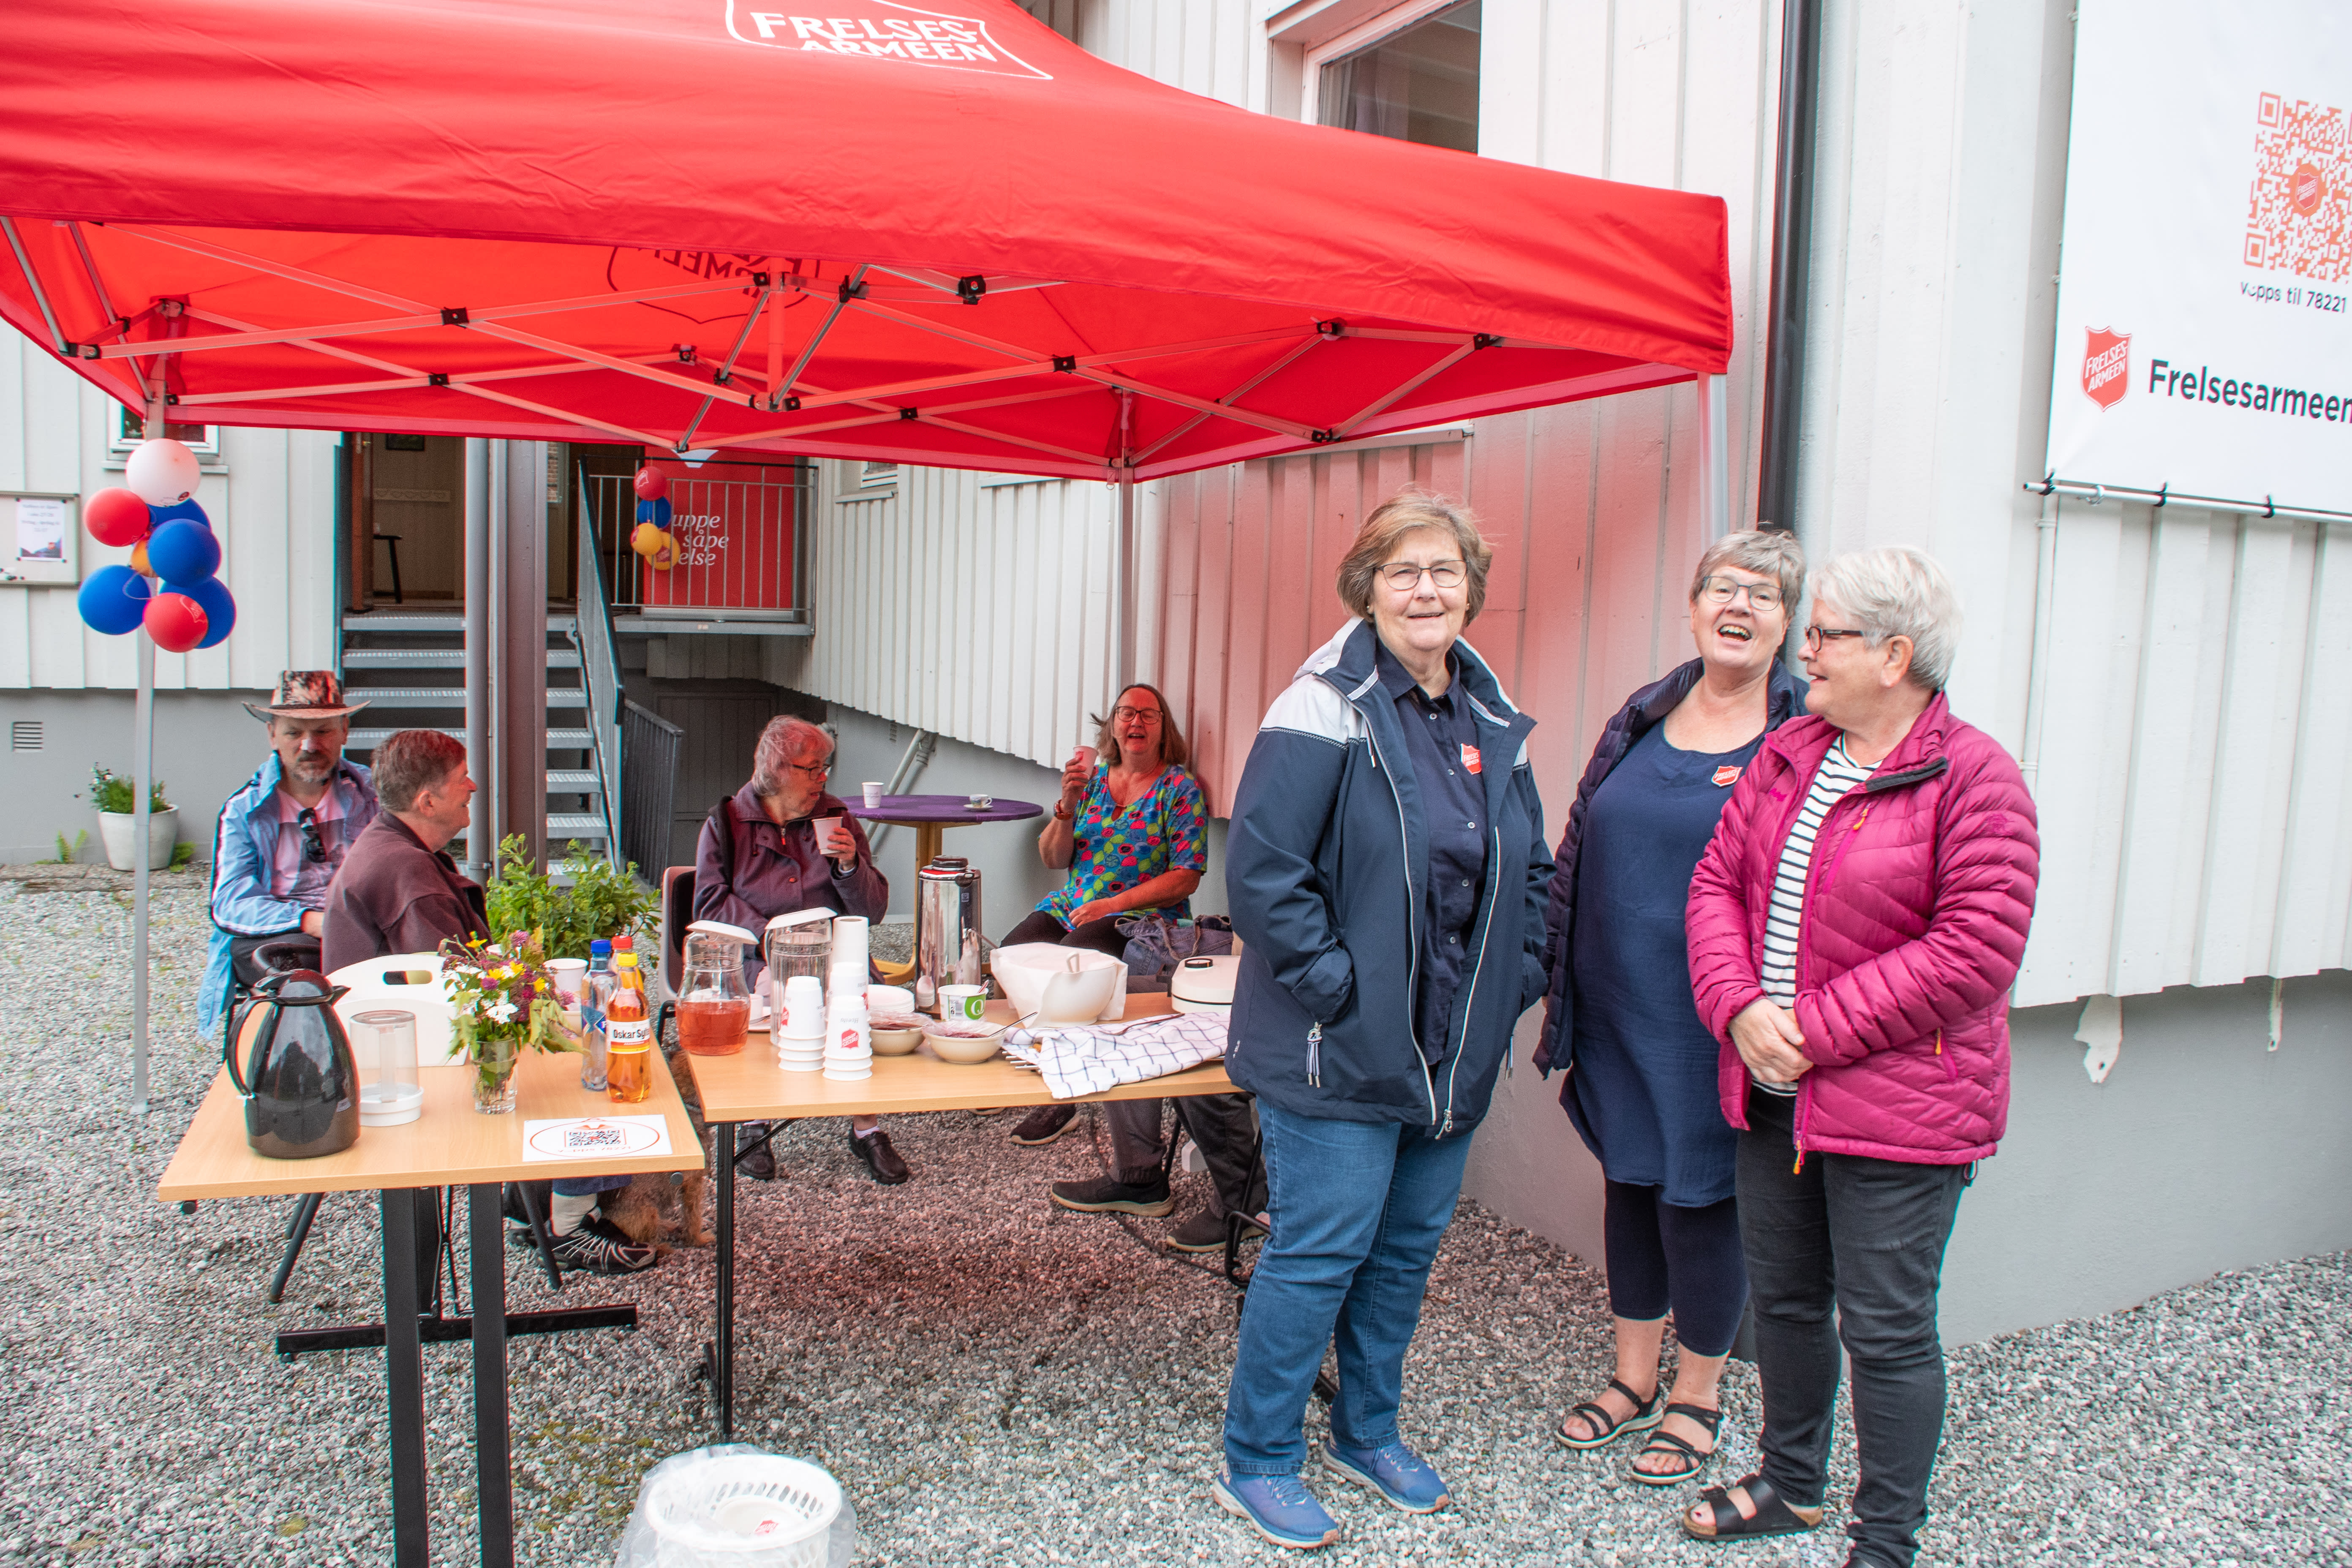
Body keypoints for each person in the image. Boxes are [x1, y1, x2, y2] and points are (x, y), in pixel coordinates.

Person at [1682, 548, 2038, 1568]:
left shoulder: (1976, 778)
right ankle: (1791, 1484)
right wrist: (1738, 1007)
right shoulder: (1793, 749)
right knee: (1786, 1300)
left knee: (1883, 1328)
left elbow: (1973, 950)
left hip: (1901, 1105)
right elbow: (1717, 885)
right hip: (1771, 1089)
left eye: (1826, 633)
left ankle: (1884, 1540)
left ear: (1895, 655)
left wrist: (1808, 1030)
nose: (1807, 650)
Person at [1214, 490, 1553, 1549]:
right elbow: (1264, 875)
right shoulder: (1322, 702)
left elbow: (1531, 875)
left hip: (1450, 1054)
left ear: (1472, 589)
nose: (1425, 589)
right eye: (1403, 570)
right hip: (1341, 1049)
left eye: (1444, 571)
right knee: (1318, 1252)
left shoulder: (1492, 718)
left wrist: (1515, 983)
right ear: (1367, 586)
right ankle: (1259, 1455)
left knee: (1402, 1256)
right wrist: (1337, 995)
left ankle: (1367, 1431)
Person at [1535, 531, 1808, 1485]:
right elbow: (1581, 842)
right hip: (1614, 1003)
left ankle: (1699, 1392)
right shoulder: (1644, 712)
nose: (1739, 606)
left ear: (1787, 622)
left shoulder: (1799, 735)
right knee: (1630, 1185)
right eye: (1722, 588)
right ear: (1692, 607)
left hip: (1716, 1020)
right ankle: (1632, 1375)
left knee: (1701, 1199)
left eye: (1763, 595)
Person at [327, 729, 657, 1279]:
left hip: (395, 1048)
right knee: (594, 1063)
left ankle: (532, 1195)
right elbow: (463, 993)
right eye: (461, 781)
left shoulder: (394, 846)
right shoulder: (409, 873)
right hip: (411, 1068)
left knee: (580, 1029)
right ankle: (567, 1221)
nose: (473, 787)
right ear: (426, 801)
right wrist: (551, 1008)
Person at [999, 685, 1265, 1254]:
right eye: (1126, 713)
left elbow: (1187, 875)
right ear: (1112, 727)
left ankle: (1066, 1097)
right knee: (1011, 961)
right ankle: (1061, 1085)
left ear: (1162, 728)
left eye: (1147, 713)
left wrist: (1113, 905)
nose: (1135, 721)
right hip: (1075, 903)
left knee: (1072, 967)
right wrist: (1066, 806)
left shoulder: (1179, 789)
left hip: (1139, 917)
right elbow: (1054, 857)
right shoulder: (1093, 785)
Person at [694, 715, 906, 1185]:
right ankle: (754, 1121)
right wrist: (772, 936)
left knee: (858, 998)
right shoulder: (726, 823)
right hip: (758, 955)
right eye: (812, 768)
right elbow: (709, 902)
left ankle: (866, 1125)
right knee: (769, 997)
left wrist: (850, 866)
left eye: (825, 766)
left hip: (835, 952)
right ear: (776, 767)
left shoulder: (835, 817)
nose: (823, 777)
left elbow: (873, 911)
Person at [199, 672, 380, 1033]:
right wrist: (309, 921)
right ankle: (301, 1066)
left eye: (324, 731)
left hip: (361, 923)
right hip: (285, 933)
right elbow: (230, 902)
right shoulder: (244, 810)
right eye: (294, 732)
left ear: (345, 731)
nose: (310, 746)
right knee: (290, 967)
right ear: (273, 735)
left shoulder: (373, 793)